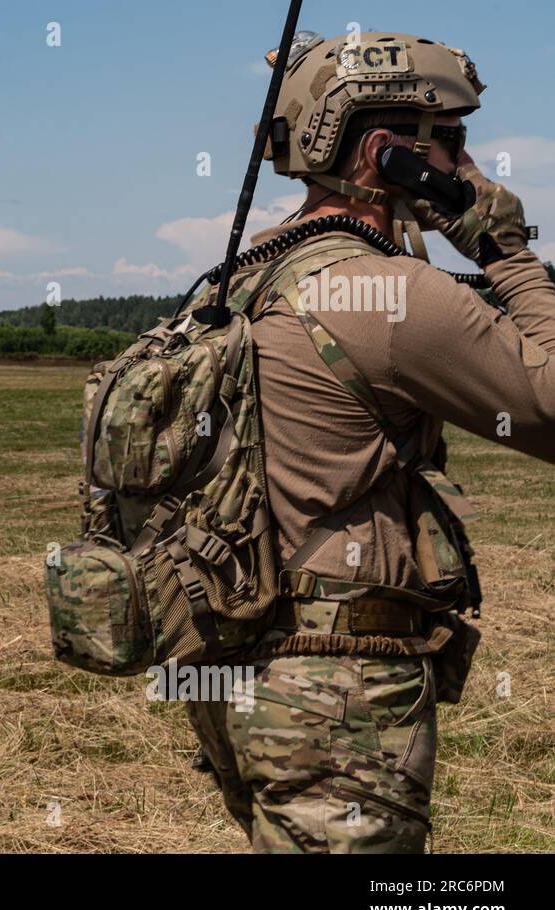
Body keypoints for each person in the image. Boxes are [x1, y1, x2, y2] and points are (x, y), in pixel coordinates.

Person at [184, 31, 555, 852]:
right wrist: (506, 248)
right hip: (337, 686)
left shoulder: (233, 281)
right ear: (388, 153)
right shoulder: (390, 294)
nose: (468, 168)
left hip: (233, 667)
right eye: (452, 143)